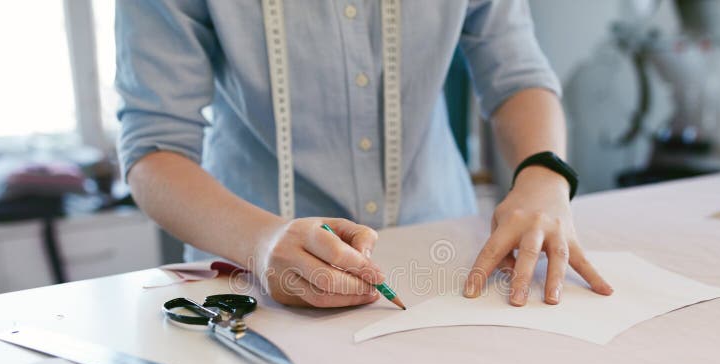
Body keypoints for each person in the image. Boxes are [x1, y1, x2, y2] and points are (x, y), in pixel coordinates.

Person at [116, 0, 613, 308]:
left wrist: (545, 174)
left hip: (442, 256)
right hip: (251, 269)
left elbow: (517, 73)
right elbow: (152, 147)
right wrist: (262, 243)